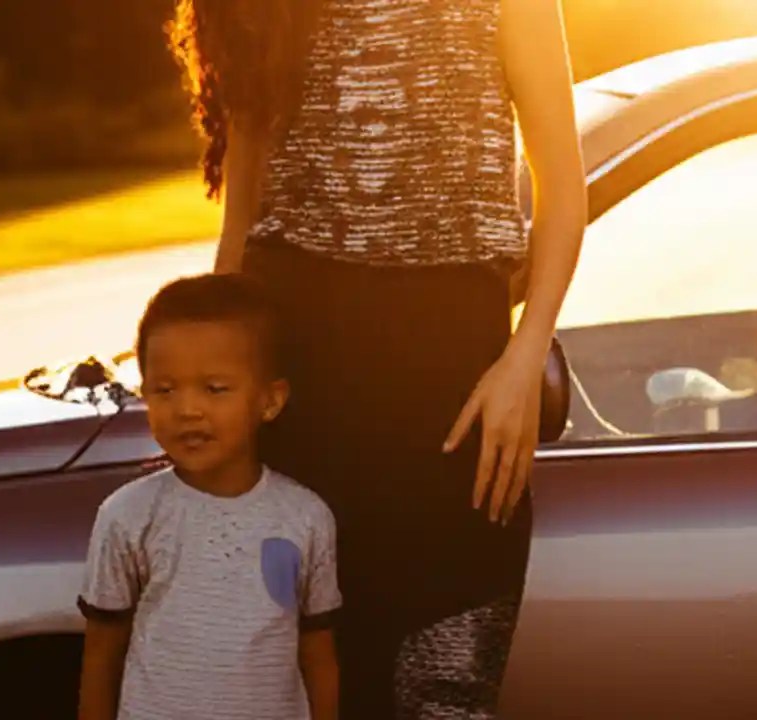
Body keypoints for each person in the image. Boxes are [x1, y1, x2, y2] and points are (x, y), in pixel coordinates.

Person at [168, 0, 586, 717]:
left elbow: (564, 191)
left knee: (446, 697)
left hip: (454, 424)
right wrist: (212, 413)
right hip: (298, 425)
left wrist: (523, 357)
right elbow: (239, 234)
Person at [76, 274, 342, 720]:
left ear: (270, 400)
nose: (188, 409)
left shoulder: (306, 518)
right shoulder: (127, 517)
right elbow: (101, 657)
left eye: (215, 389)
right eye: (165, 389)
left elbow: (317, 655)